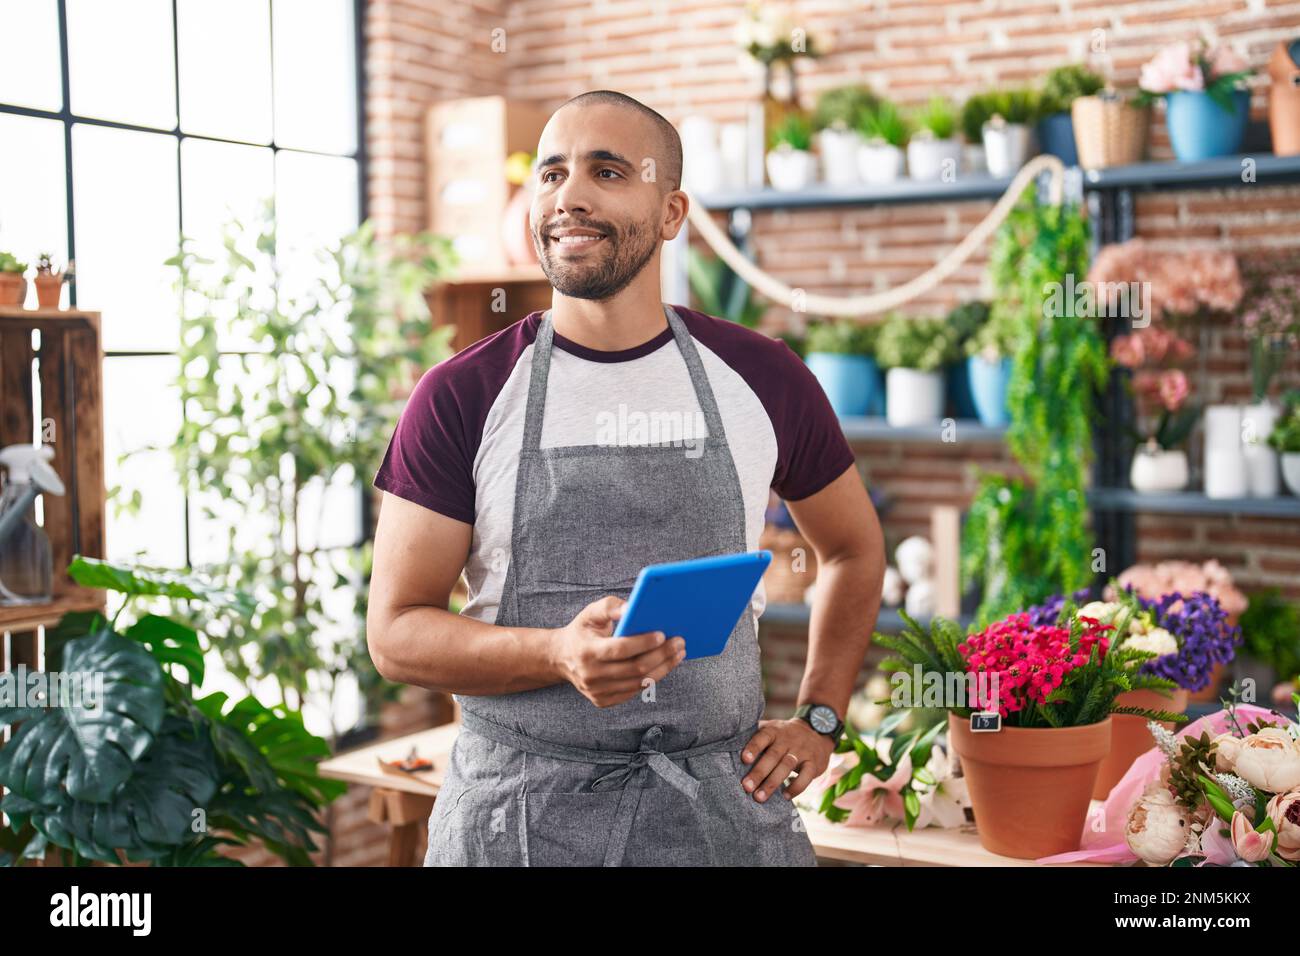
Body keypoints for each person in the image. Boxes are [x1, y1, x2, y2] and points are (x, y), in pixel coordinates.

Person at [367, 90, 885, 866]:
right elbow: (396, 633)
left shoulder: (761, 376)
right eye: (550, 174)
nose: (567, 196)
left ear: (672, 211)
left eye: (605, 171)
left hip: (719, 818)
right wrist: (554, 653)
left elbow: (852, 549)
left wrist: (818, 718)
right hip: (517, 824)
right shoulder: (462, 394)